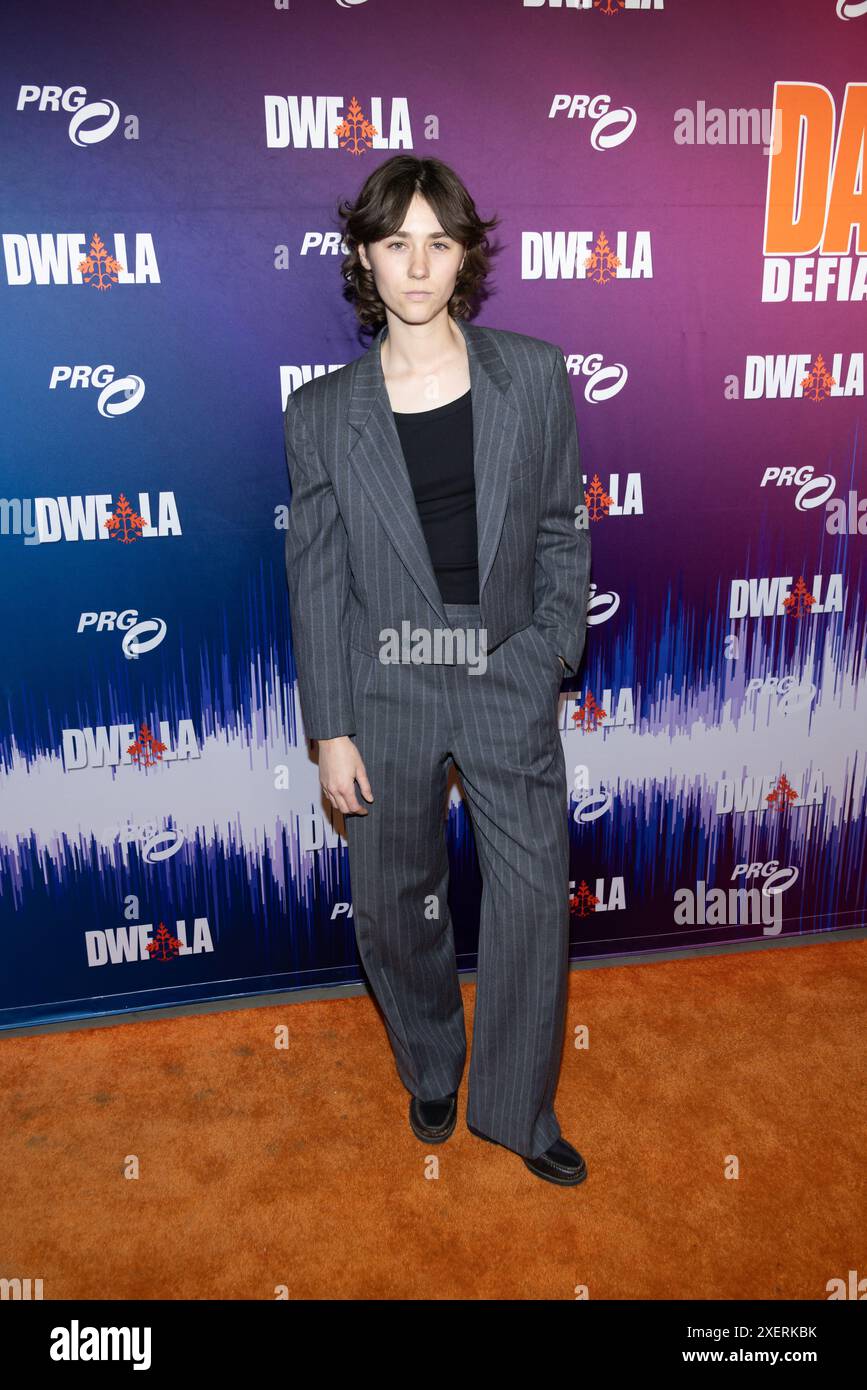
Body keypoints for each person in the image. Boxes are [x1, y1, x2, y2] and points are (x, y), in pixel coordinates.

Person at [283, 155, 591, 1187]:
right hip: (388, 686)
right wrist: (331, 729)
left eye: (439, 241)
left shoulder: (535, 375)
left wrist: (549, 649)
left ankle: (515, 1107)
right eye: (395, 242)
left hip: (506, 669)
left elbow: (560, 527)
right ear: (365, 259)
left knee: (532, 894)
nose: (417, 265)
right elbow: (319, 578)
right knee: (393, 901)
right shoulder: (322, 414)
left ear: (466, 256)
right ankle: (429, 1062)